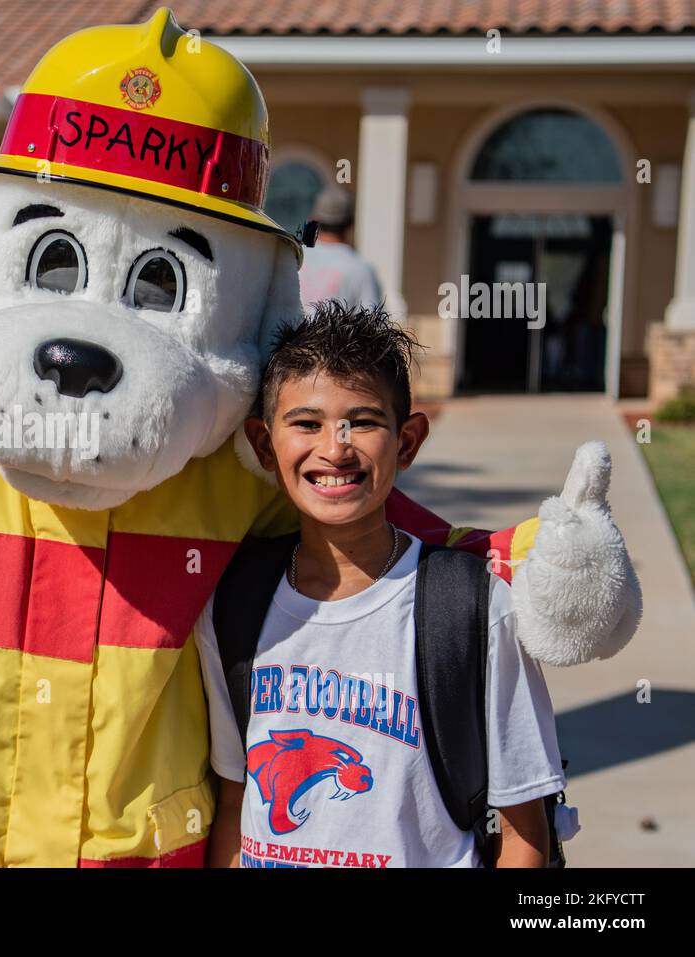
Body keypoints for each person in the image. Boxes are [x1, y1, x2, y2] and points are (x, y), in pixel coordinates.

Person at [197, 301, 565, 868]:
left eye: (363, 421)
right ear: (266, 446)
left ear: (409, 441)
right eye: (306, 423)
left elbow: (524, 835)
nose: (335, 447)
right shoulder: (231, 604)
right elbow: (236, 800)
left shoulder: (473, 608)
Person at [298, 186, 384, 311]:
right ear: (351, 222)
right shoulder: (361, 269)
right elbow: (373, 324)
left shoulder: (296, 258)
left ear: (314, 220)